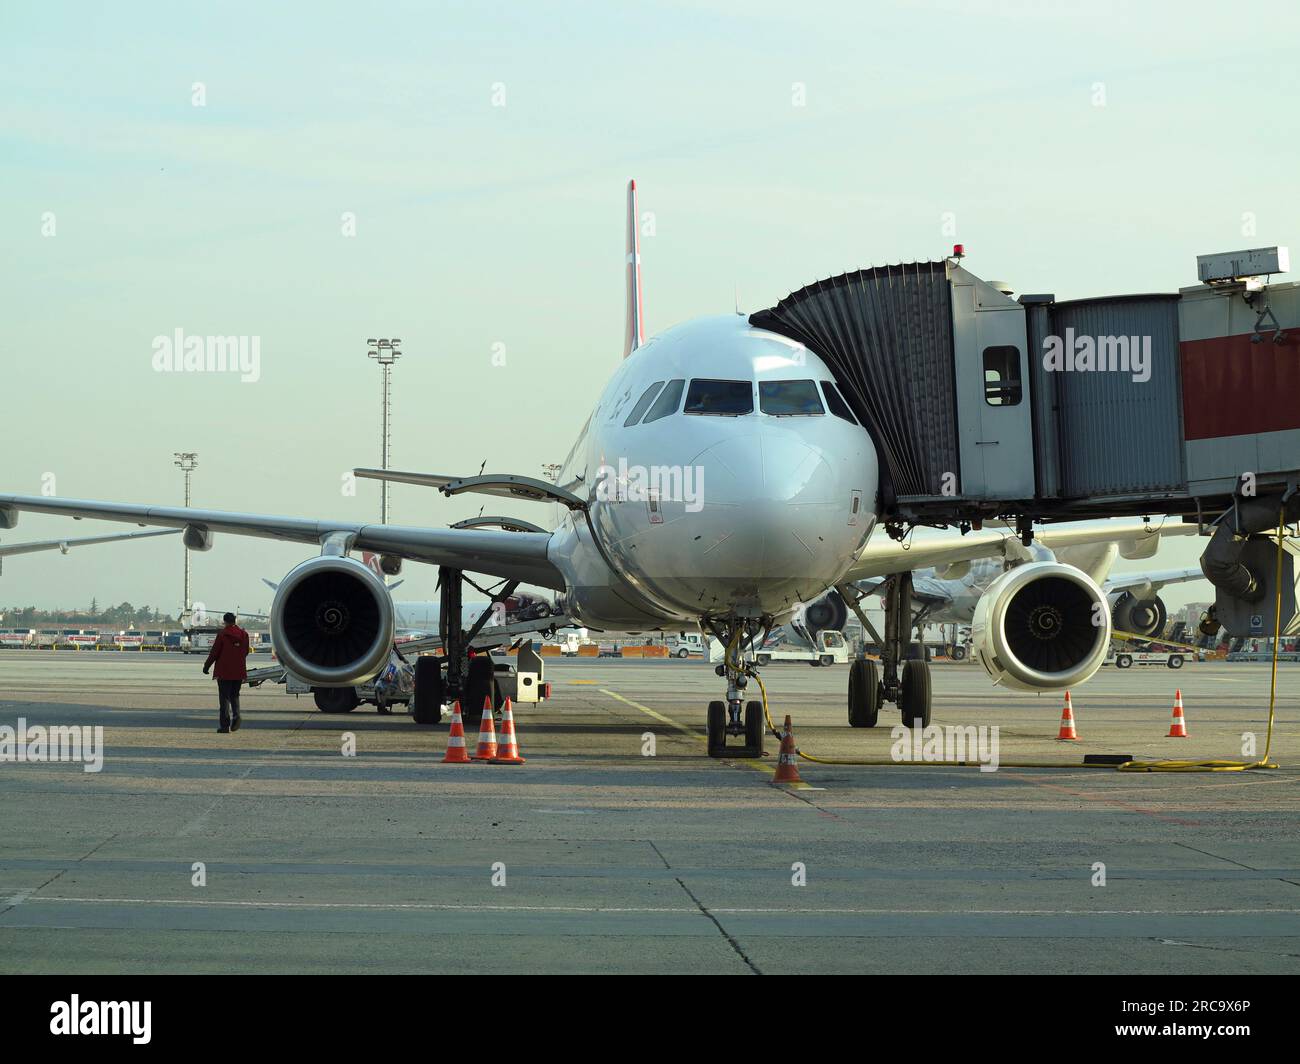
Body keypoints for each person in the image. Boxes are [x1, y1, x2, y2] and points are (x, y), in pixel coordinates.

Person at [202, 612, 251, 733]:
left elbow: (214, 653)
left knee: (224, 699)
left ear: (225, 621)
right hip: (239, 671)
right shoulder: (244, 635)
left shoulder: (222, 634)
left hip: (224, 671)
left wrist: (206, 666)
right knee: (235, 695)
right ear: (235, 621)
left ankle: (224, 726)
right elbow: (246, 651)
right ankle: (237, 716)